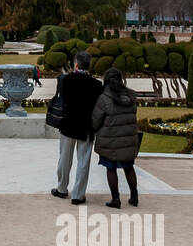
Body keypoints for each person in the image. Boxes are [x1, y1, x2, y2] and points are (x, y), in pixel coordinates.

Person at [51, 51, 104, 204]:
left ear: (76, 64)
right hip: (86, 126)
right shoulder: (96, 85)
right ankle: (78, 195)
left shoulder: (66, 80)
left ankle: (61, 189)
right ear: (89, 65)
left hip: (68, 124)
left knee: (64, 158)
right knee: (83, 161)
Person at [91, 67, 141, 208]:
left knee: (111, 168)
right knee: (129, 167)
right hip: (128, 139)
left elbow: (96, 120)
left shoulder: (104, 98)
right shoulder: (130, 97)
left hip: (110, 140)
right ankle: (134, 196)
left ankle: (116, 199)